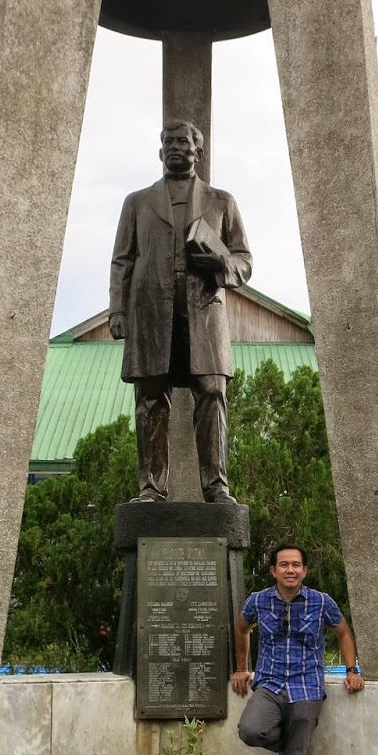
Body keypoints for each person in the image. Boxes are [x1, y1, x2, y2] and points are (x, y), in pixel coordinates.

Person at [108, 119, 252, 502]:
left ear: (198, 151)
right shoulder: (137, 202)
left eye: (183, 141)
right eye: (168, 142)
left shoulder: (222, 202)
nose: (175, 147)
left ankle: (216, 486)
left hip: (204, 310)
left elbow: (244, 261)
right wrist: (117, 310)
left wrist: (219, 266)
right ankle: (151, 487)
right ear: (160, 153)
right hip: (152, 312)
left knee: (212, 391)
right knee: (151, 397)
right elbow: (122, 260)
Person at [232, 543, 365, 755]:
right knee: (250, 730)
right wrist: (240, 667)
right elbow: (241, 628)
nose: (290, 570)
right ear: (273, 571)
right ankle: (290, 745)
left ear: (304, 570)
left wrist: (351, 670)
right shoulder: (258, 601)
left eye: (296, 565)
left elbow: (344, 633)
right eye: (283, 565)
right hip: (269, 684)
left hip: (306, 688)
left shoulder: (321, 602)